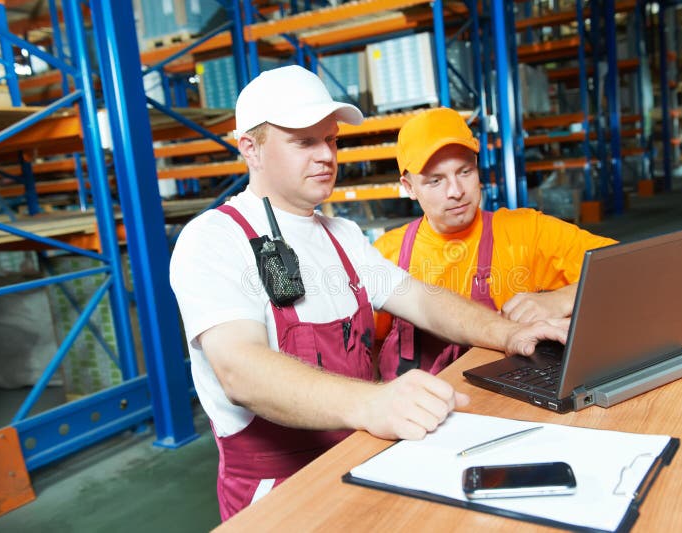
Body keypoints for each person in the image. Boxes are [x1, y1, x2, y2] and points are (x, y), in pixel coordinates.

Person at [169, 66, 568, 521]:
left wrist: (509, 333)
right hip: (280, 497)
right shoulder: (214, 239)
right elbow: (241, 371)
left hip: (364, 459)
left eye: (331, 139)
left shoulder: (341, 235)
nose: (326, 156)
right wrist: (373, 401)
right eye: (305, 142)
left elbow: (422, 300)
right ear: (250, 149)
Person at [374, 107, 616, 381]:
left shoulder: (527, 231)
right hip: (421, 413)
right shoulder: (386, 254)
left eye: (465, 172)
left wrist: (560, 299)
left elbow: (629, 264)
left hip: (511, 399)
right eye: (436, 180)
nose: (456, 192)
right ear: (408, 187)